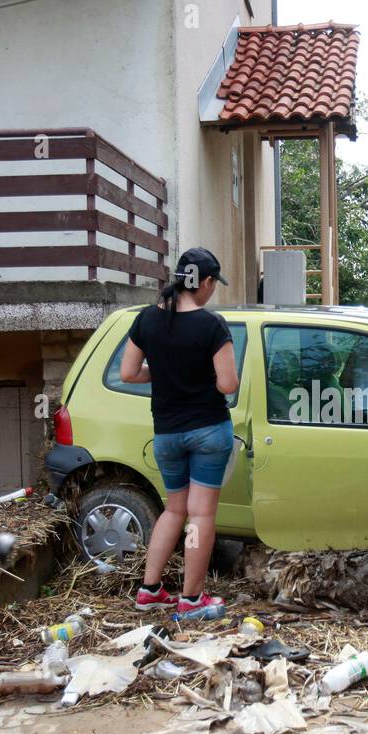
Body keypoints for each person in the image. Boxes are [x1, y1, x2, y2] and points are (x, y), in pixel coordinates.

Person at [117, 247, 239, 615]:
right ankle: (191, 599)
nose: (213, 290)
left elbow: (128, 373)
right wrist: (201, 375)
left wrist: (166, 371)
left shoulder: (147, 321)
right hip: (207, 431)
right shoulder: (211, 325)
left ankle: (149, 590)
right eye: (213, 284)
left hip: (166, 435)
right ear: (203, 282)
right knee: (200, 516)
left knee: (174, 511)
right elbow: (228, 385)